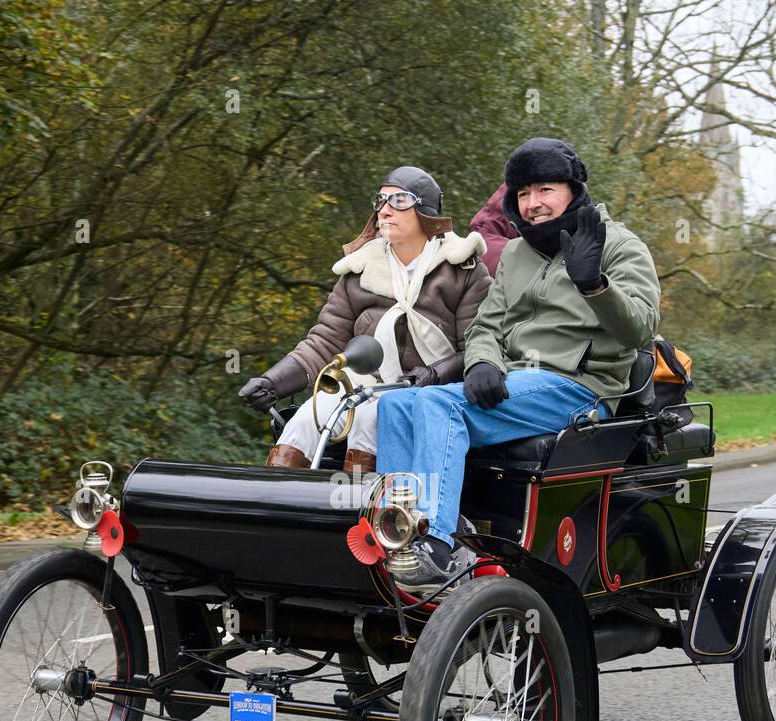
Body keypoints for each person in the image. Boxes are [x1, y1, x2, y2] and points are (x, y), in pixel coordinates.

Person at [376, 137, 662, 586]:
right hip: (515, 382)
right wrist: (482, 363)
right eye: (524, 194)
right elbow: (485, 327)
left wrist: (595, 285)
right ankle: (391, 535)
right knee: (394, 405)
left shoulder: (620, 246)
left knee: (437, 404)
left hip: (580, 389)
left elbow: (640, 330)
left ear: (572, 189)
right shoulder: (516, 253)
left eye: (545, 190)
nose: (533, 204)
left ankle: (432, 543)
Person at [238, 166, 491, 473]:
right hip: (360, 386)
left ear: (425, 210)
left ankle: (359, 513)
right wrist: (272, 382)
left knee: (372, 421)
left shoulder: (464, 270)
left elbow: (478, 347)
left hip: (431, 393)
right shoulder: (359, 270)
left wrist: (434, 375)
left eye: (398, 201)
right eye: (380, 202)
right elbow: (324, 342)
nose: (384, 211)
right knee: (308, 417)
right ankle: (278, 505)